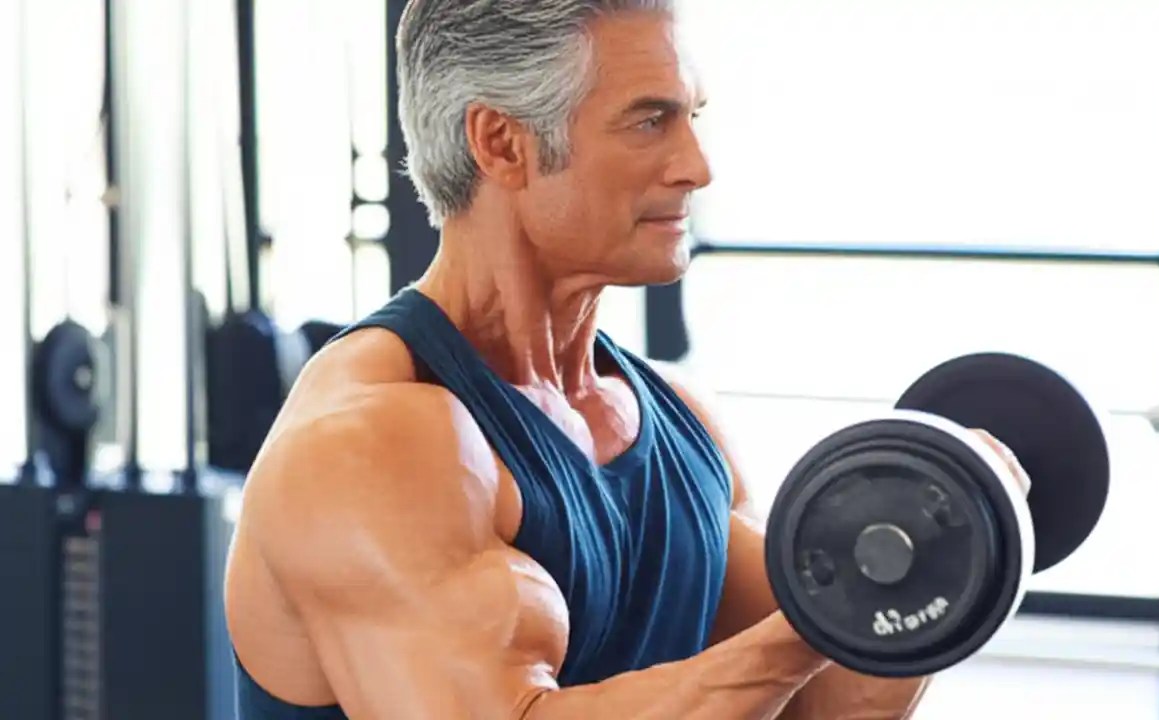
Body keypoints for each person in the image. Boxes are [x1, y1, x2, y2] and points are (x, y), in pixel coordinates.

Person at [223, 2, 1032, 718]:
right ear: (502, 143)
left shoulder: (676, 423)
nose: (697, 165)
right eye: (650, 120)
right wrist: (829, 612)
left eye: (693, 116)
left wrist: (944, 554)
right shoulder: (374, 444)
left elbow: (826, 706)